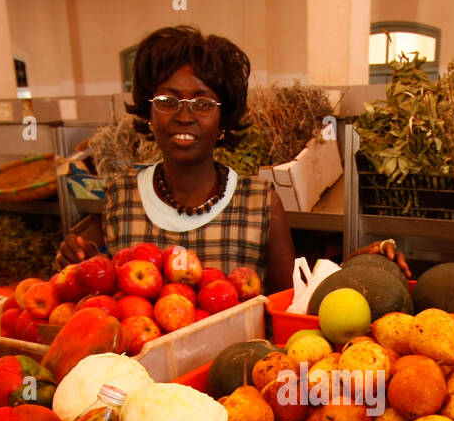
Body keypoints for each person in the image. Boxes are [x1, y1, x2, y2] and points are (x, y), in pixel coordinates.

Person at [55, 26, 296, 292]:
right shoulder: (123, 195)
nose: (183, 116)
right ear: (149, 113)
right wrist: (82, 266)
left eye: (203, 104)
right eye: (168, 101)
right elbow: (109, 300)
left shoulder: (259, 204)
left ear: (223, 120)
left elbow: (285, 309)